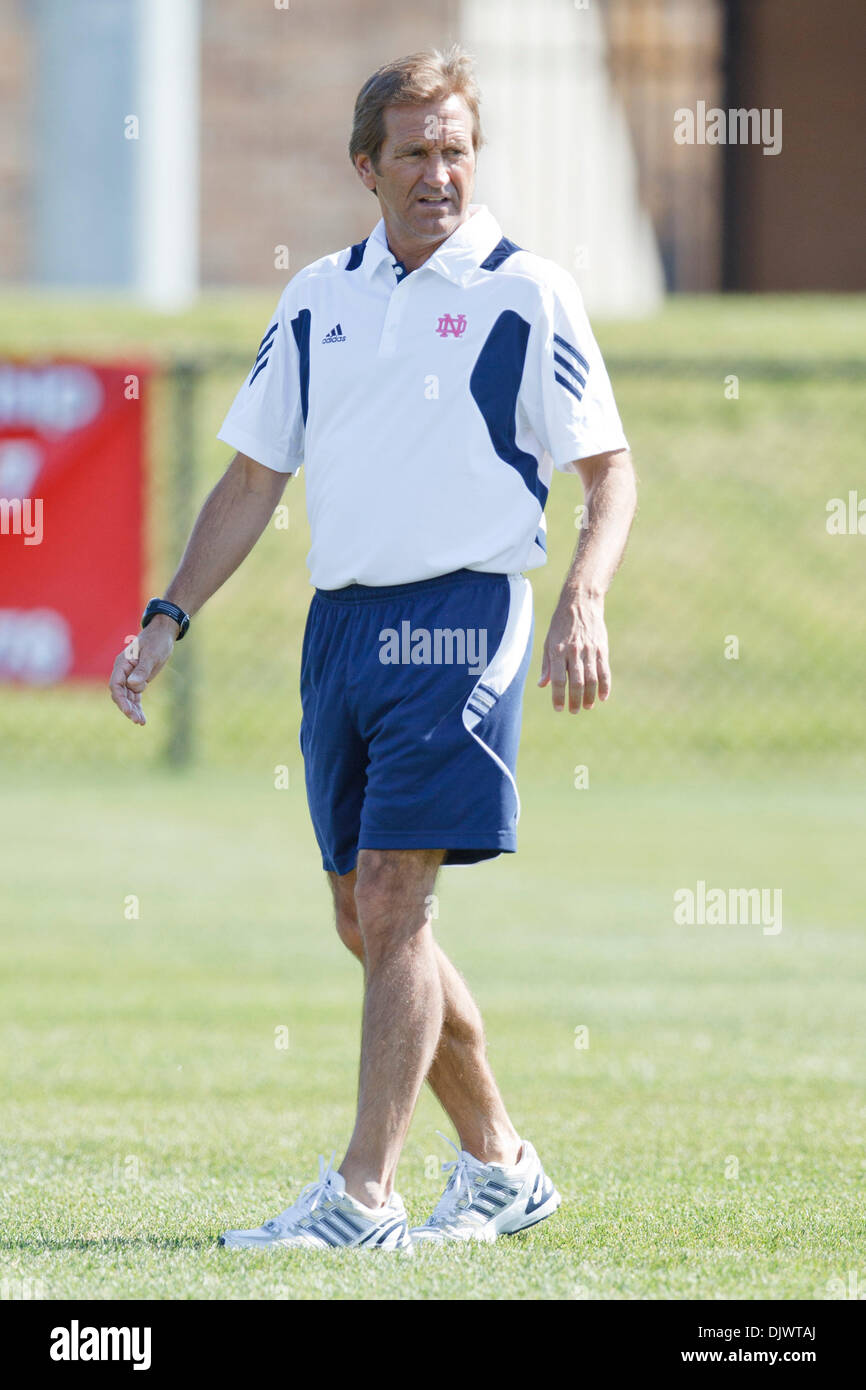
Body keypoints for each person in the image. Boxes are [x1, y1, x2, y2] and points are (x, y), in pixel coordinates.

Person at [109, 45, 637, 1252]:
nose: (440, 173)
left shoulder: (528, 291)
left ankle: (362, 1196)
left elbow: (607, 473)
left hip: (462, 617)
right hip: (340, 628)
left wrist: (583, 597)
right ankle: (501, 1165)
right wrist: (165, 617)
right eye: (414, 151)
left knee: (397, 897)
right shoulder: (314, 300)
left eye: (455, 149)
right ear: (366, 166)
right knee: (366, 916)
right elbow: (250, 479)